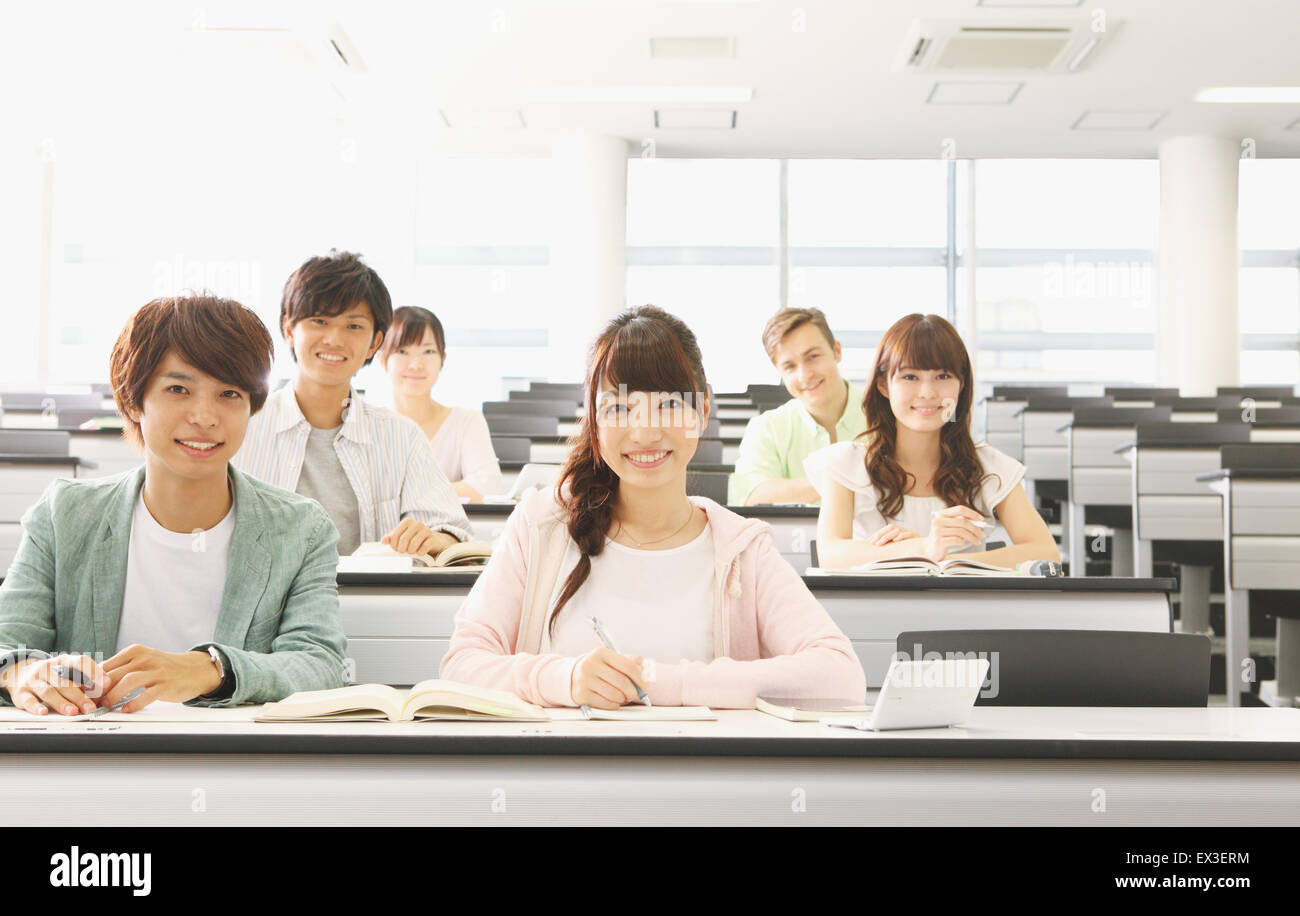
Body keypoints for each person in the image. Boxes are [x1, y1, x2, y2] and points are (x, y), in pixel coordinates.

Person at [440, 305, 865, 709]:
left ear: (702, 413)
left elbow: (841, 677)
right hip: (562, 778)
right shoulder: (541, 526)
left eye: (668, 405)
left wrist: (662, 682)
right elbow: (461, 665)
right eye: (620, 408)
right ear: (594, 418)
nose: (644, 431)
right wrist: (563, 679)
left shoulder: (739, 549)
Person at [0, 295, 348, 716]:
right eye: (178, 389)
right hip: (91, 764)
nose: (204, 416)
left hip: (235, 766)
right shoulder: (65, 515)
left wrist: (212, 669)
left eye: (229, 393)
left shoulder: (300, 528)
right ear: (132, 400)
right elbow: (7, 645)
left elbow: (319, 663)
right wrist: (20, 673)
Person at [234, 250, 471, 558]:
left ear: (375, 342)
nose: (334, 339)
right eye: (319, 321)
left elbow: (453, 532)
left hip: (368, 604)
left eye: (354, 326)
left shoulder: (400, 437)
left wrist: (437, 538)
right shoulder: (244, 425)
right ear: (289, 330)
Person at [808, 313, 1060, 570]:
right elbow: (831, 554)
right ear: (883, 385)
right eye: (910, 377)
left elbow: (1047, 553)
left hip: (966, 609)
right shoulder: (847, 463)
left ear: (961, 384)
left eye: (942, 376)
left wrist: (947, 560)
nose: (927, 393)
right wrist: (925, 547)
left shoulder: (988, 466)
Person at [728, 308, 867, 506]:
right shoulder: (767, 427)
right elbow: (752, 497)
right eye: (790, 366)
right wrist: (839, 480)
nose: (804, 376)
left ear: (837, 351)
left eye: (813, 357)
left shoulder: (887, 414)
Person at [380, 306, 503, 502]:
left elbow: (487, 487)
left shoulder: (466, 421)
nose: (416, 365)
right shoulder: (370, 425)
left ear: (442, 359)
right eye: (402, 351)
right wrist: (444, 492)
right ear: (382, 359)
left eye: (428, 351)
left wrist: (407, 495)